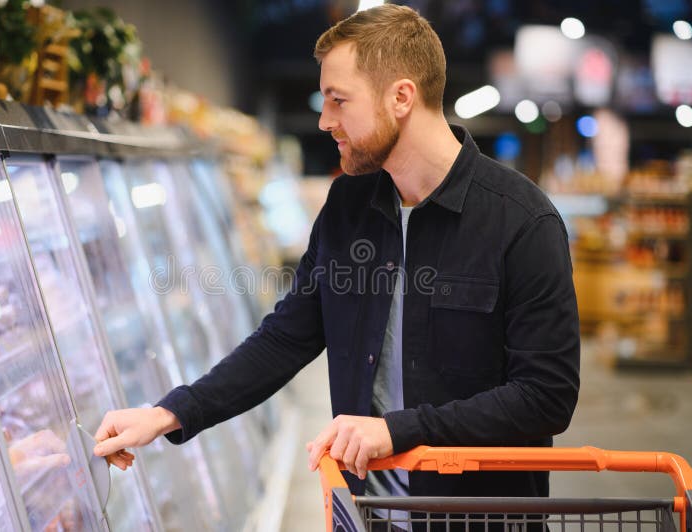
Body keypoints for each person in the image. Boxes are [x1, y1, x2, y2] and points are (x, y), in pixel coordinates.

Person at [93, 3, 580, 508]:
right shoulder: (350, 206)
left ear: (401, 98)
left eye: (338, 100)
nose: (325, 121)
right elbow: (286, 336)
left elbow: (546, 395)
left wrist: (400, 431)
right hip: (369, 511)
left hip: (478, 518)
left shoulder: (523, 222)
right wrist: (169, 413)